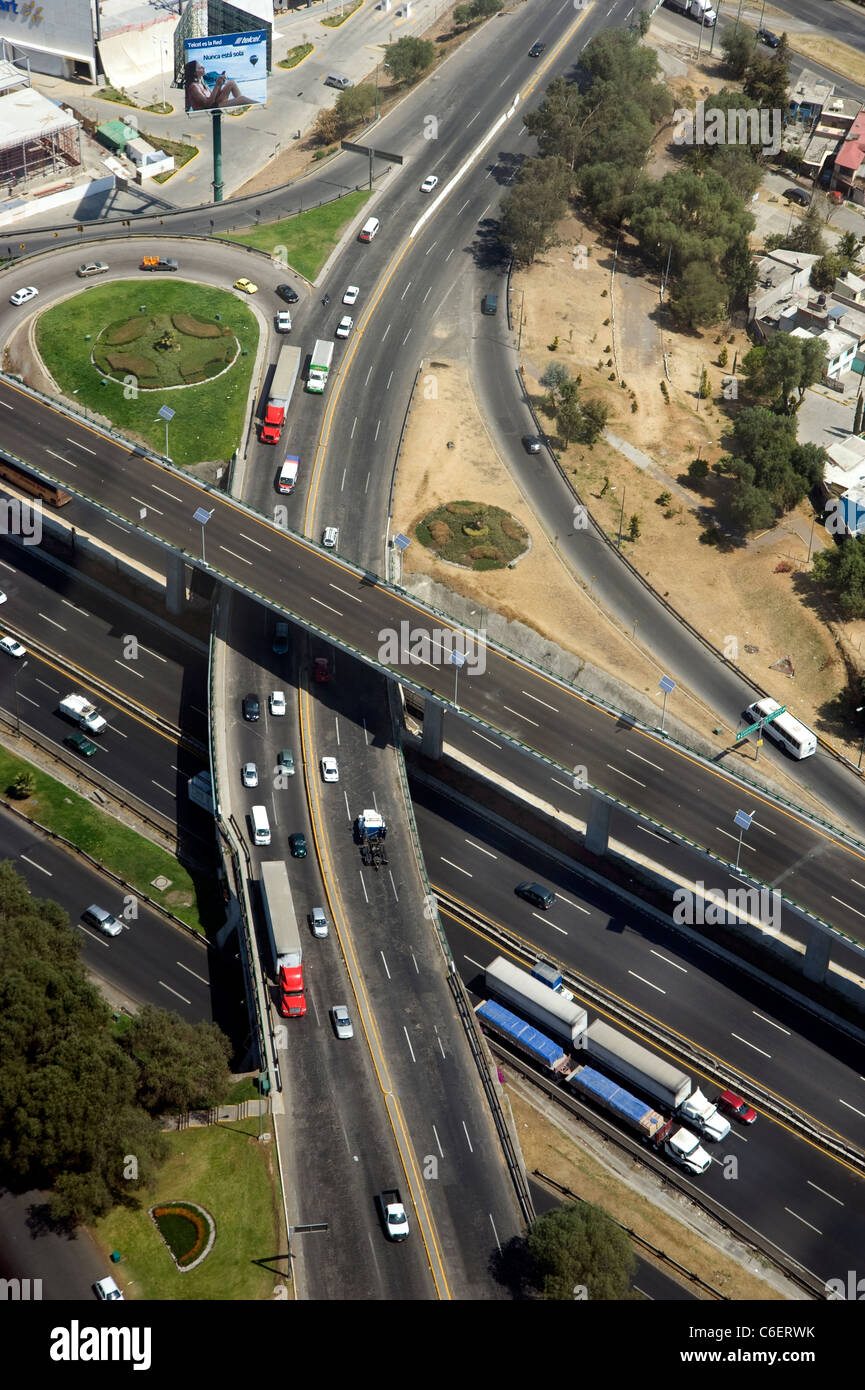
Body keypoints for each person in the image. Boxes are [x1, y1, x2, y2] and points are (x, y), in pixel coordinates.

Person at [184, 61, 255, 111]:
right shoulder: (194, 87)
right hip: (209, 110)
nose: (203, 67)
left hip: (213, 105)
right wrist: (217, 85)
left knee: (231, 83)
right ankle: (262, 108)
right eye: (200, 68)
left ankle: (241, 107)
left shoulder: (203, 84)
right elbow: (207, 104)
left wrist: (220, 84)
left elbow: (214, 98)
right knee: (242, 99)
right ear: (194, 73)